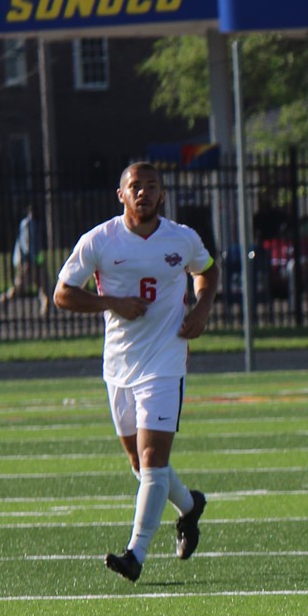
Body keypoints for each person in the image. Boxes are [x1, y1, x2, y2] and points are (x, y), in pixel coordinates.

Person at [52, 163, 216, 582]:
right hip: (119, 365)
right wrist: (113, 303)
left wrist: (202, 307)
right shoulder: (100, 240)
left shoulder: (181, 238)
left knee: (152, 460)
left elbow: (207, 271)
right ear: (120, 195)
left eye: (151, 187)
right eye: (134, 187)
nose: (143, 193)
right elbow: (63, 294)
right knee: (138, 465)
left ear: (162, 195)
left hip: (165, 361)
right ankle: (190, 506)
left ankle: (135, 554)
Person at [0, 202, 49, 315]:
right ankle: (1, 301)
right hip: (27, 261)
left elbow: (35, 247)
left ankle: (45, 310)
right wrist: (28, 262)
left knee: (44, 284)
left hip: (32, 261)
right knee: (19, 288)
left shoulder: (34, 223)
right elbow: (27, 245)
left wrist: (39, 261)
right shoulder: (28, 223)